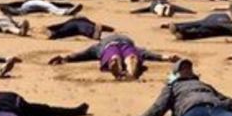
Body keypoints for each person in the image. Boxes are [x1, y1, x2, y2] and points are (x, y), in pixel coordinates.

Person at [48, 34, 178, 80]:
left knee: (118, 56)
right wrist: (165, 57)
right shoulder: (99, 46)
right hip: (124, 45)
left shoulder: (99, 45)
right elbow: (147, 53)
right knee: (132, 57)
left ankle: (117, 66)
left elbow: (83, 54)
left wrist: (65, 57)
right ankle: (130, 72)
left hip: (111, 46)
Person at [0, 0, 82, 17]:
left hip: (28, 5)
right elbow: (17, 2)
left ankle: (10, 11)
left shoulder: (26, 2)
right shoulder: (34, 0)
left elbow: (16, 3)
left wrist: (3, 4)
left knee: (21, 11)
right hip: (32, 4)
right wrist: (69, 4)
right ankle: (67, 12)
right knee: (52, 8)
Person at [46, 17, 112, 40]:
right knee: (82, 27)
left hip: (74, 22)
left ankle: (93, 32)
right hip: (78, 20)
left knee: (79, 27)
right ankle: (95, 29)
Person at [131, 0, 195, 17]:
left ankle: (164, 11)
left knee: (158, 9)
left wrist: (134, 11)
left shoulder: (151, 6)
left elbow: (143, 10)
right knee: (173, 7)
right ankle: (165, 10)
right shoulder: (152, 6)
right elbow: (180, 9)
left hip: (156, 8)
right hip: (162, 5)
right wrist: (190, 11)